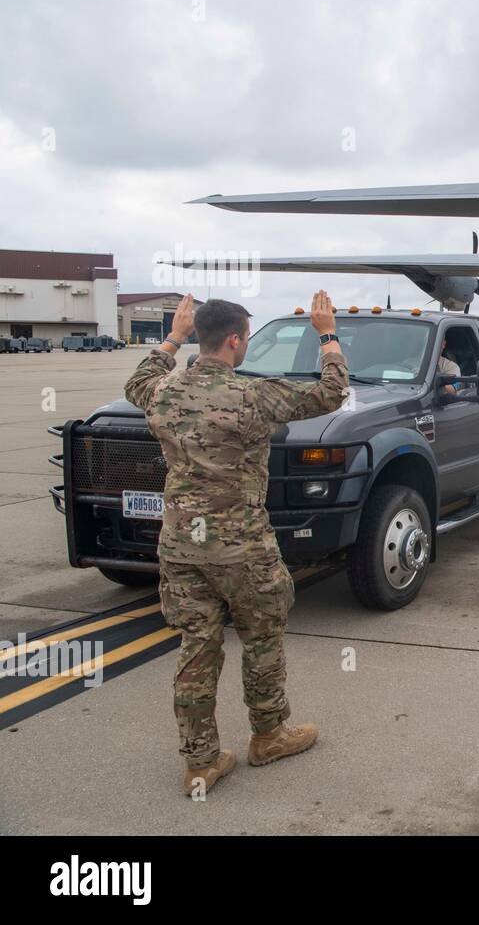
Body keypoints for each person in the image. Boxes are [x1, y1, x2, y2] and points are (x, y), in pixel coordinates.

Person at [124, 291, 350, 796]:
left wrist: (173, 336)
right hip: (241, 546)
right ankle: (268, 735)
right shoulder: (253, 396)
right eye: (245, 338)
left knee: (196, 648)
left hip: (181, 544)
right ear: (234, 341)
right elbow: (333, 392)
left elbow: (136, 381)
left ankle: (200, 763)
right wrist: (327, 333)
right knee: (262, 638)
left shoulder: (163, 391)